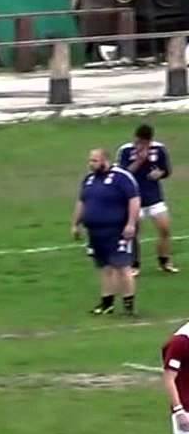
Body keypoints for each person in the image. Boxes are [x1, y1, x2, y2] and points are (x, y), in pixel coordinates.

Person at [71, 149, 140, 316]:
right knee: (105, 267)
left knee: (123, 267)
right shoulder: (89, 180)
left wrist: (131, 224)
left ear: (105, 160)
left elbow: (134, 200)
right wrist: (75, 224)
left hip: (117, 230)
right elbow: (82, 202)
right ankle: (106, 304)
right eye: (90, 160)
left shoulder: (122, 177)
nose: (91, 164)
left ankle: (128, 305)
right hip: (95, 232)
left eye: (95, 160)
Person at [118, 123, 177, 275]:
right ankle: (134, 264)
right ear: (135, 139)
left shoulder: (159, 149)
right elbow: (123, 174)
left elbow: (167, 170)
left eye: (145, 143)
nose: (141, 146)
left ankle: (164, 261)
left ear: (150, 141)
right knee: (134, 232)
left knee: (164, 229)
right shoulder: (126, 150)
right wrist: (139, 161)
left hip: (154, 197)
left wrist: (160, 174)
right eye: (138, 142)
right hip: (134, 198)